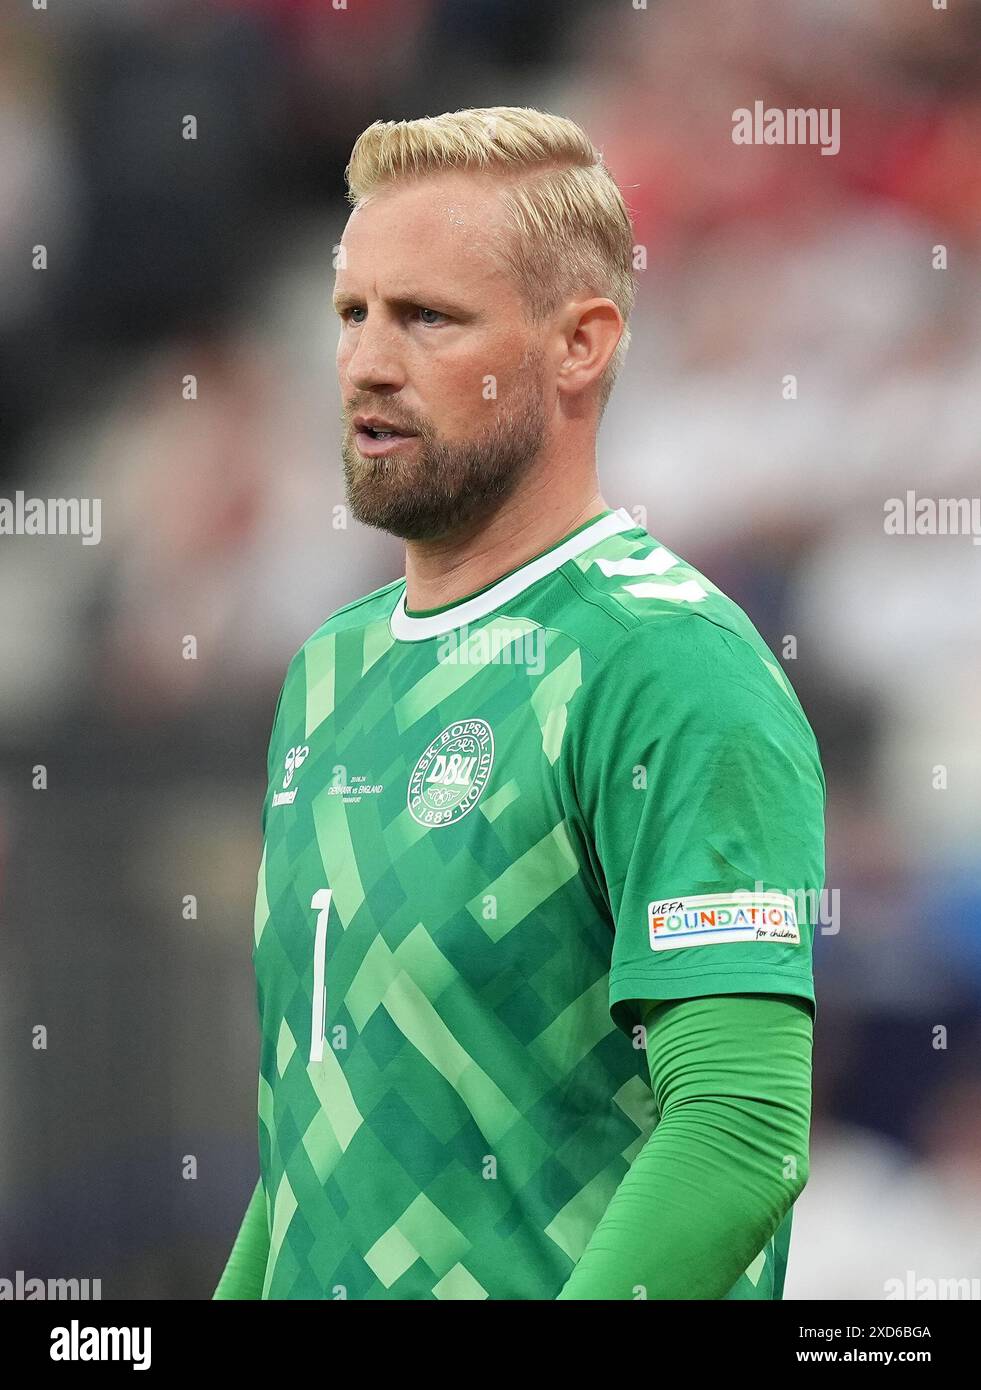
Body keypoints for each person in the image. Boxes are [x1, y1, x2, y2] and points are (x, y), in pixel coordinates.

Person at [213, 106, 824, 1300]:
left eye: (427, 318)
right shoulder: (325, 674)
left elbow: (742, 1132)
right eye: (353, 315)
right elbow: (314, 1149)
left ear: (580, 344)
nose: (367, 362)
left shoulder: (668, 663)